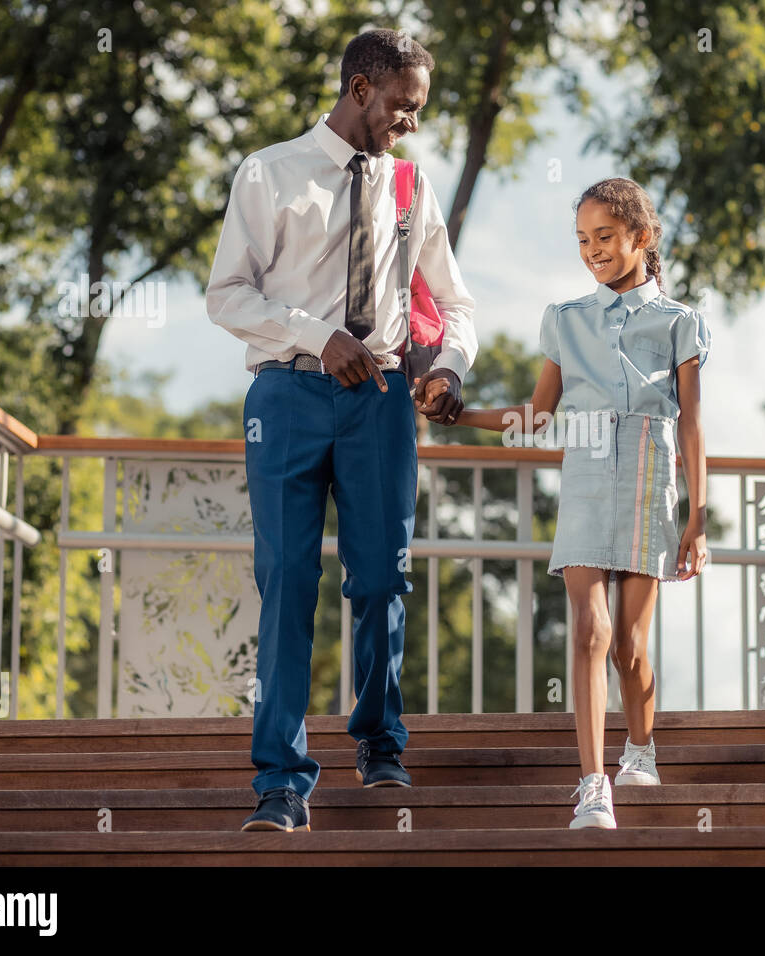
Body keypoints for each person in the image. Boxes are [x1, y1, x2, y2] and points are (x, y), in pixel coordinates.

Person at [206, 29, 478, 832]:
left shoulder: (409, 186)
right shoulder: (271, 171)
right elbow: (227, 295)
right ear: (360, 88)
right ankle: (281, 781)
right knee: (289, 580)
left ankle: (379, 739)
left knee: (382, 578)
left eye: (419, 109)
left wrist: (451, 365)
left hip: (383, 402)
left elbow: (454, 301)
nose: (412, 122)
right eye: (403, 105)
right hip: (288, 400)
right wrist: (313, 333)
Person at [422, 177, 710, 828]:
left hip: (650, 473)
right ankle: (593, 784)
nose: (592, 250)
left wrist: (698, 517)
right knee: (590, 628)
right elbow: (537, 416)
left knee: (629, 647)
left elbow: (692, 423)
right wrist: (462, 414)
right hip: (583, 472)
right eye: (582, 240)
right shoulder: (564, 319)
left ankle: (641, 746)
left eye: (604, 237)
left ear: (640, 237)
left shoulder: (680, 324)